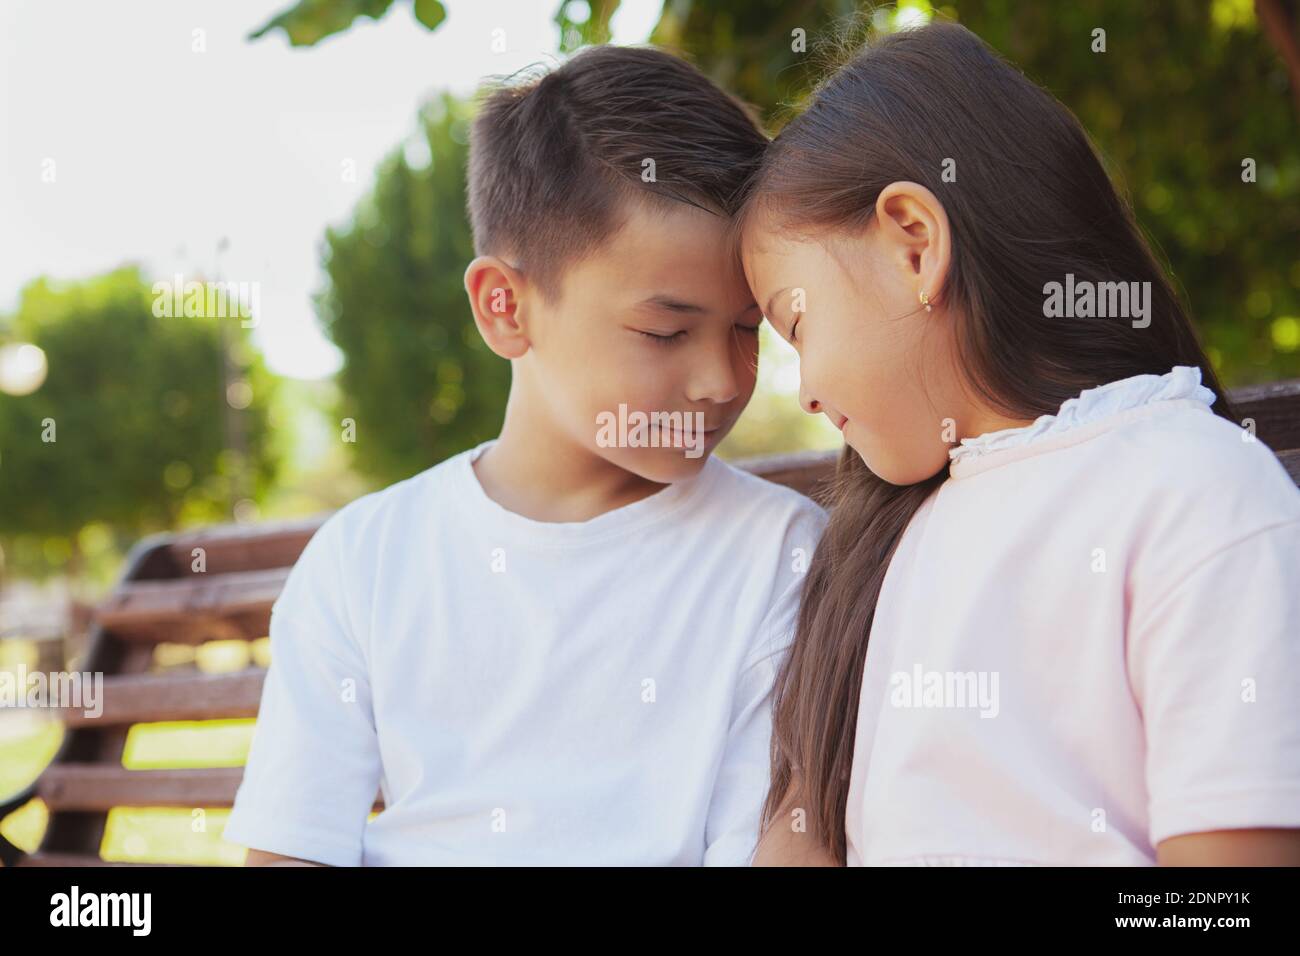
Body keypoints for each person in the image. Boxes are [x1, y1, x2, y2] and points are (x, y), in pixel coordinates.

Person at [223, 45, 827, 866]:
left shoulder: (780, 559)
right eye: (665, 331)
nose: (722, 379)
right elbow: (291, 849)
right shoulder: (365, 563)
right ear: (505, 307)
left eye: (747, 328)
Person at [738, 21, 1300, 866]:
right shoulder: (886, 543)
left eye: (799, 324)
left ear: (914, 244)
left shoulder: (1200, 494)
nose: (808, 388)